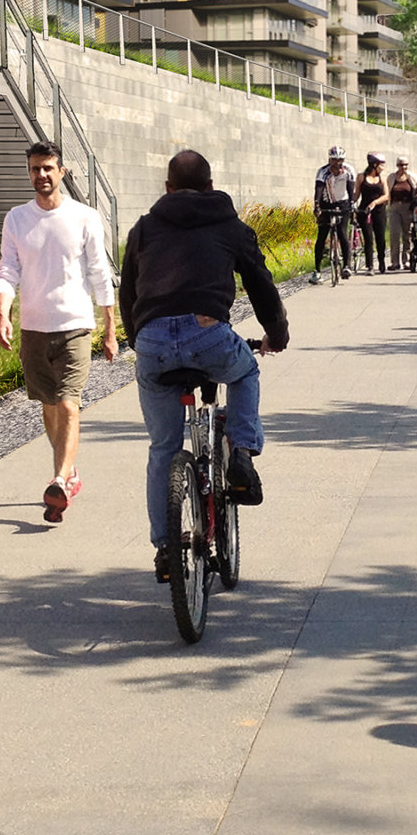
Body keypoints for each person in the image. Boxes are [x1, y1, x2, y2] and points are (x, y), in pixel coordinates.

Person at [120, 151, 292, 583]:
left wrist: (137, 338)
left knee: (162, 448)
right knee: (245, 370)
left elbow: (128, 292)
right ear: (212, 186)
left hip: (153, 342)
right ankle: (244, 452)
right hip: (207, 334)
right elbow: (260, 284)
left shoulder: (144, 228)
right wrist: (277, 334)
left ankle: (165, 547)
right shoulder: (230, 226)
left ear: (168, 189)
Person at [0, 140, 119, 524]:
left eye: (48, 168)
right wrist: (3, 312)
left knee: (68, 403)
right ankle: (69, 472)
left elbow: (100, 272)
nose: (41, 175)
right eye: (35, 169)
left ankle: (60, 480)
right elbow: (8, 269)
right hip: (34, 328)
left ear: (62, 172)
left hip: (76, 327)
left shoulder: (85, 217)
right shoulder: (17, 219)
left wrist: (110, 327)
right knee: (49, 408)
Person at [312, 146, 357, 283]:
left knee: (342, 233)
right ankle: (317, 270)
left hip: (342, 204)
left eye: (340, 160)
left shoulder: (348, 171)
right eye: (334, 160)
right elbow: (318, 190)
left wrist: (352, 205)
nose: (337, 163)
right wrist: (317, 206)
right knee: (321, 236)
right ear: (330, 160)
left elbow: (351, 191)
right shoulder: (323, 172)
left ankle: (346, 266)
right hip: (326, 203)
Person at [357, 152, 391, 275]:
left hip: (379, 211)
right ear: (374, 164)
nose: (383, 167)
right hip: (364, 211)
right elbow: (356, 194)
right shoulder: (361, 177)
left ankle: (381, 262)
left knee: (380, 238)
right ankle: (370, 265)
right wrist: (350, 203)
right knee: (368, 239)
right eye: (381, 164)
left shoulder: (382, 178)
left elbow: (386, 196)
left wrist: (375, 202)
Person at [387, 156, 417, 272]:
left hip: (408, 207)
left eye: (405, 165)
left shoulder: (412, 177)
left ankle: (407, 260)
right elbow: (388, 190)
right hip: (394, 207)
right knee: (394, 234)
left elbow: (416, 190)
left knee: (408, 234)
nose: (403, 167)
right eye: (401, 165)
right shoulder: (392, 177)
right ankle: (394, 262)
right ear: (397, 165)